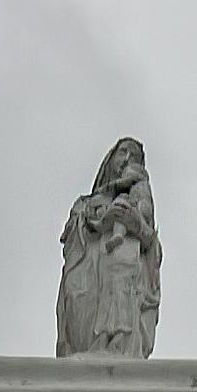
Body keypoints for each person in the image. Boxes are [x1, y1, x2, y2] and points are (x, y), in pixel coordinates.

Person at [57, 138, 160, 361]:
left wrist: (134, 223)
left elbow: (149, 239)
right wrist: (93, 220)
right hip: (86, 261)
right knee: (78, 297)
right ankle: (85, 348)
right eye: (123, 152)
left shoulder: (138, 194)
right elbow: (69, 236)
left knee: (122, 268)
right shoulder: (85, 203)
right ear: (110, 159)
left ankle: (117, 346)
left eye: (134, 157)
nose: (127, 159)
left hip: (121, 259)